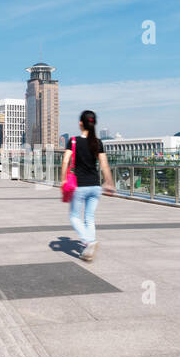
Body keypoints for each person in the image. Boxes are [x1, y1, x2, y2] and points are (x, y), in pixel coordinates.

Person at [60, 110, 115, 262]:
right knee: (89, 217)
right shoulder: (97, 142)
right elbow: (104, 164)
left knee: (74, 216)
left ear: (80, 123)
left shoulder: (73, 141)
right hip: (95, 186)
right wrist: (109, 182)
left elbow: (65, 161)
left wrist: (63, 179)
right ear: (93, 123)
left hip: (80, 185)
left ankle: (88, 241)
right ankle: (88, 248)